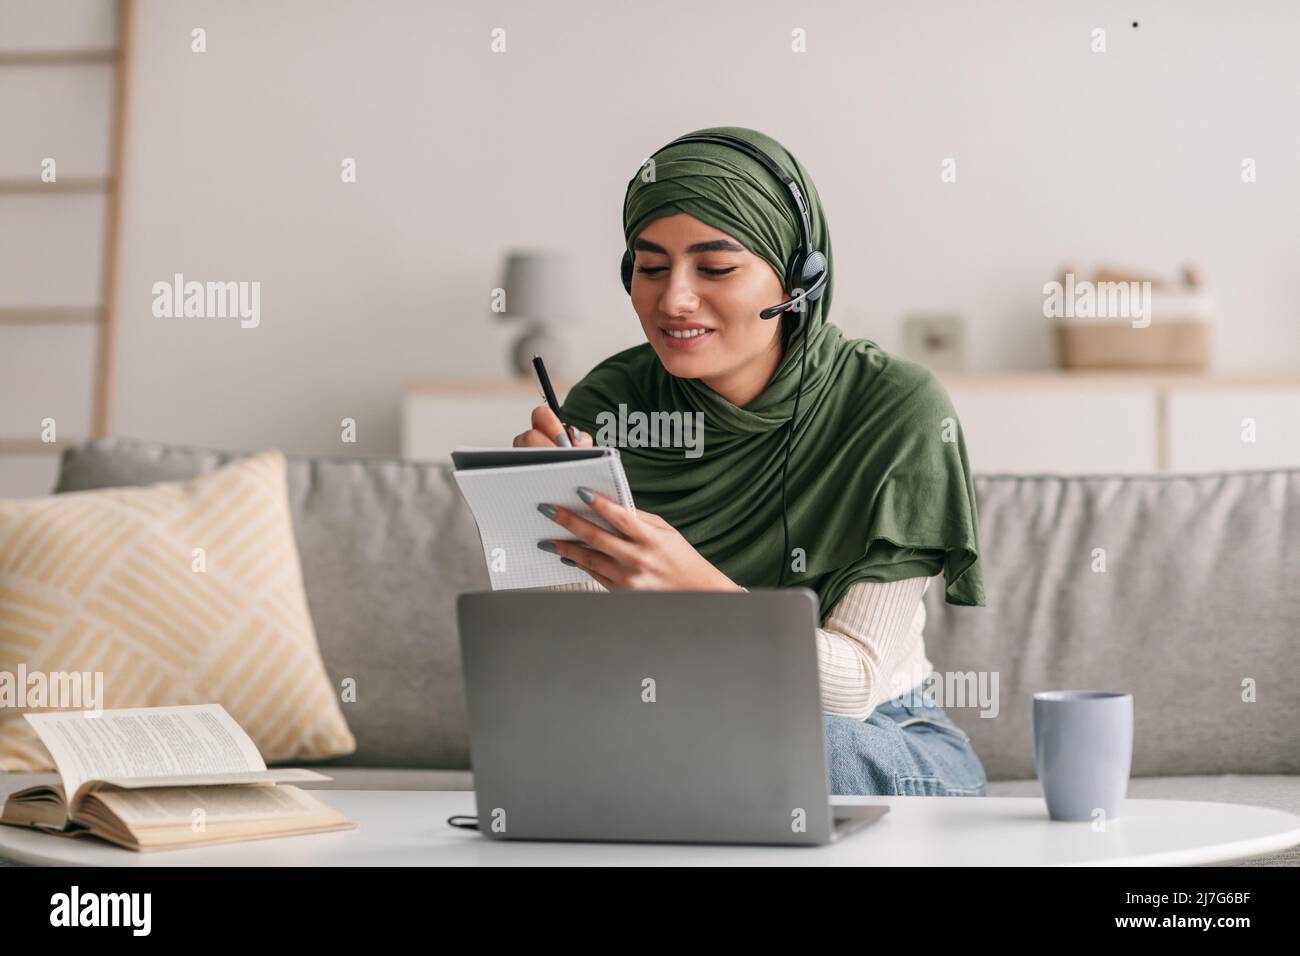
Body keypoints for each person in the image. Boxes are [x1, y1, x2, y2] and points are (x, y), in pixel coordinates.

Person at [511, 126, 988, 797]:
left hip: (872, 734)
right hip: (672, 722)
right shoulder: (605, 405)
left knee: (803, 747)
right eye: (650, 268)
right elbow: (581, 662)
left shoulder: (895, 408)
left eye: (715, 268)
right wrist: (545, 526)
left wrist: (691, 590)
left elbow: (850, 691)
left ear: (799, 277)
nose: (673, 299)